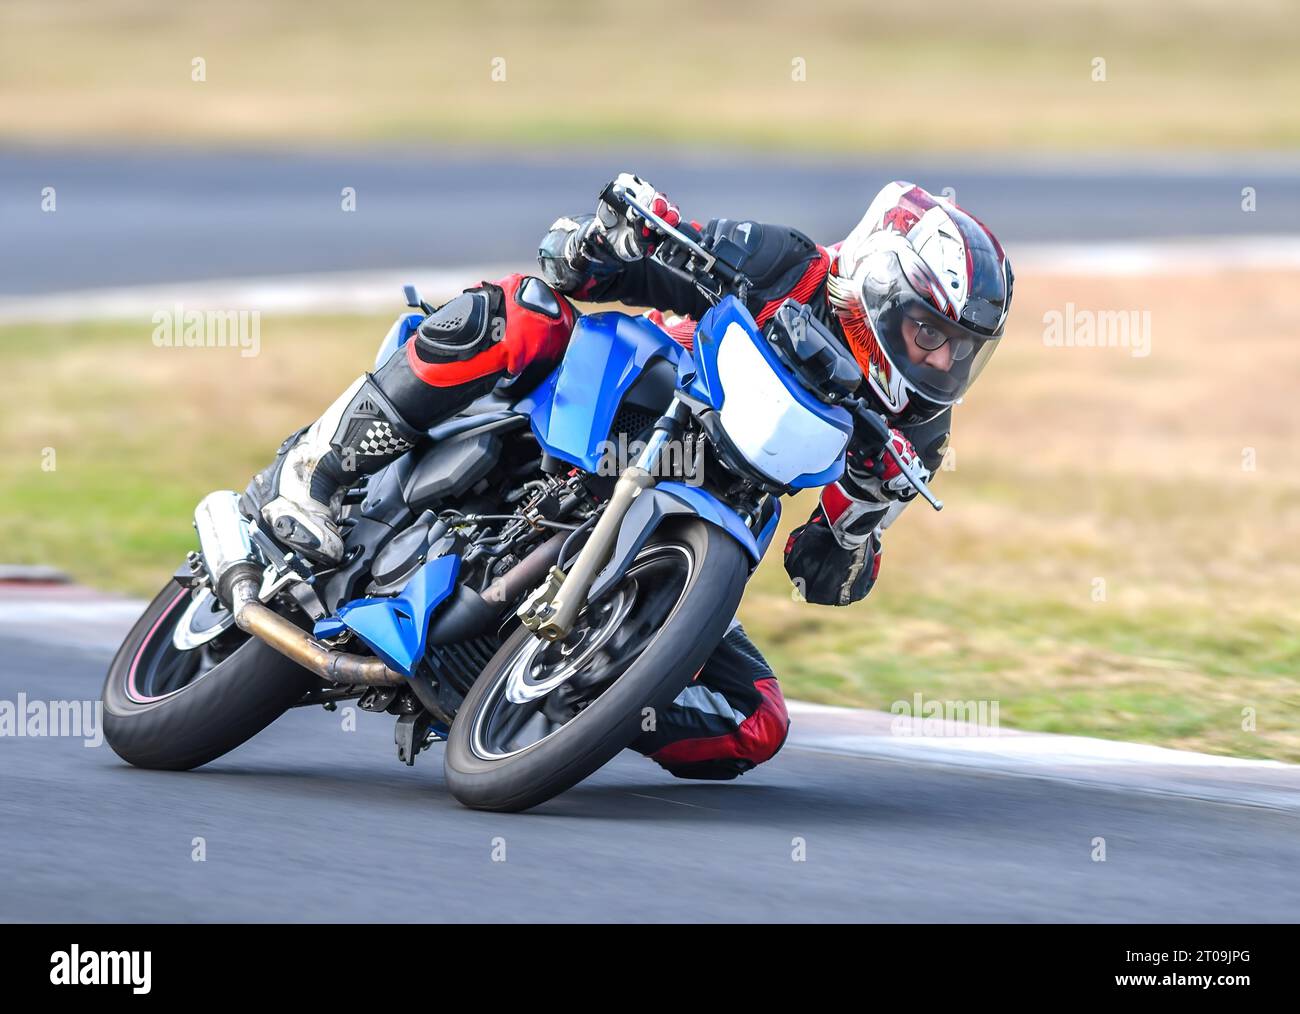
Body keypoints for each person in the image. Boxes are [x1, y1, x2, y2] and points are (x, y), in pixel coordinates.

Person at [245, 174, 1013, 780]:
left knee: (757, 724)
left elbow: (828, 571)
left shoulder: (918, 425)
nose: (942, 361)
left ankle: (578, 694)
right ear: (879, 283)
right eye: (929, 331)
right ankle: (319, 467)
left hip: (708, 518)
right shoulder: (787, 263)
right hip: (628, 403)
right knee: (521, 311)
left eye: (961, 348)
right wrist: (614, 238)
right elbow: (616, 269)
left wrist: (851, 536)